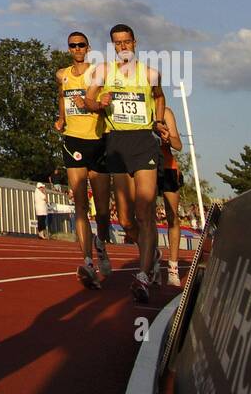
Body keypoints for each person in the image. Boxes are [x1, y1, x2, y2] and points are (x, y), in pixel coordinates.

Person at [85, 25, 167, 302]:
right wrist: (99, 102)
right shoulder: (103, 71)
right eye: (118, 43)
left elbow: (158, 96)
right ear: (112, 45)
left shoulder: (150, 73)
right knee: (125, 219)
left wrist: (159, 121)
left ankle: (142, 276)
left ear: (135, 42)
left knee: (145, 212)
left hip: (143, 141)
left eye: (127, 41)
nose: (123, 46)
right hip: (117, 143)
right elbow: (88, 100)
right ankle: (151, 251)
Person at [54, 31, 112, 287]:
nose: (77, 49)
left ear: (88, 48)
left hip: (97, 141)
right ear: (68, 49)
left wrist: (90, 104)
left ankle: (100, 242)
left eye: (81, 45)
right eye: (72, 45)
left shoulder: (97, 73)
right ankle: (87, 261)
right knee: (80, 204)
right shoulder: (62, 74)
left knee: (101, 210)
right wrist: (62, 118)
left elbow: (104, 105)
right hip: (73, 140)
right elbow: (61, 96)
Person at [156, 105, 184, 287]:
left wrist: (168, 138)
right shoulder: (140, 106)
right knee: (145, 218)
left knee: (172, 217)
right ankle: (153, 262)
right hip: (146, 165)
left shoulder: (166, 112)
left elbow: (178, 144)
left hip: (167, 167)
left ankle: (173, 267)